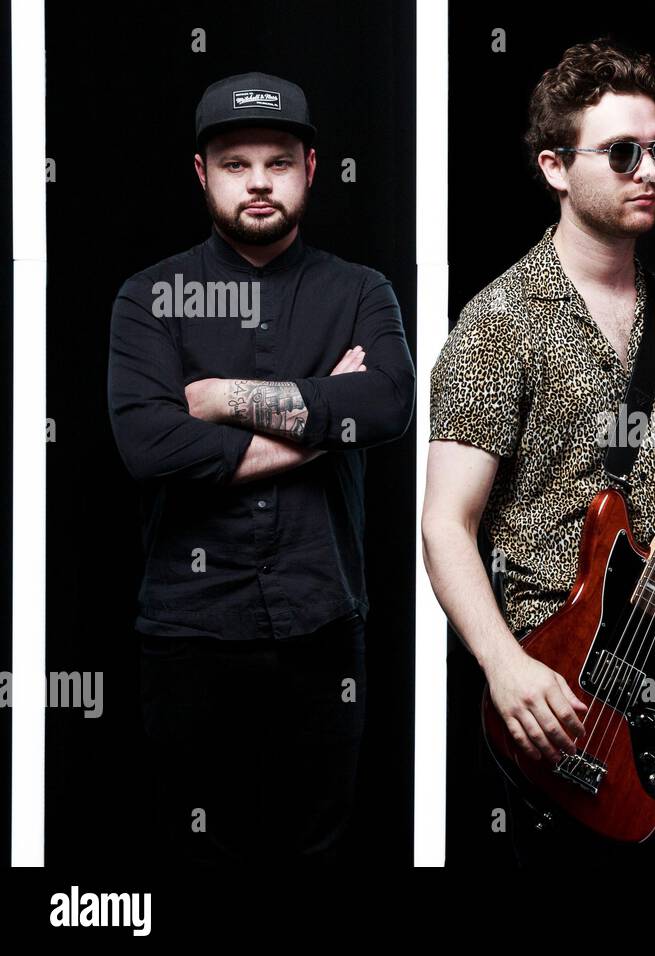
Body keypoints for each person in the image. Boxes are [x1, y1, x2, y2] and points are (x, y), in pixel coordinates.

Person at [421, 40, 655, 865]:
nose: (648, 168)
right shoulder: (500, 324)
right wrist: (505, 670)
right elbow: (445, 524)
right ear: (555, 167)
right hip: (559, 673)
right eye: (623, 152)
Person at [106, 71, 415, 863]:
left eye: (276, 162)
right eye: (236, 164)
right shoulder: (149, 299)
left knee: (317, 851)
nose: (258, 183)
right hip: (187, 636)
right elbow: (152, 447)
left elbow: (385, 407)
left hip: (323, 629)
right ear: (203, 174)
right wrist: (324, 420)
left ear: (310, 170)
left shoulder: (360, 291)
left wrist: (217, 397)